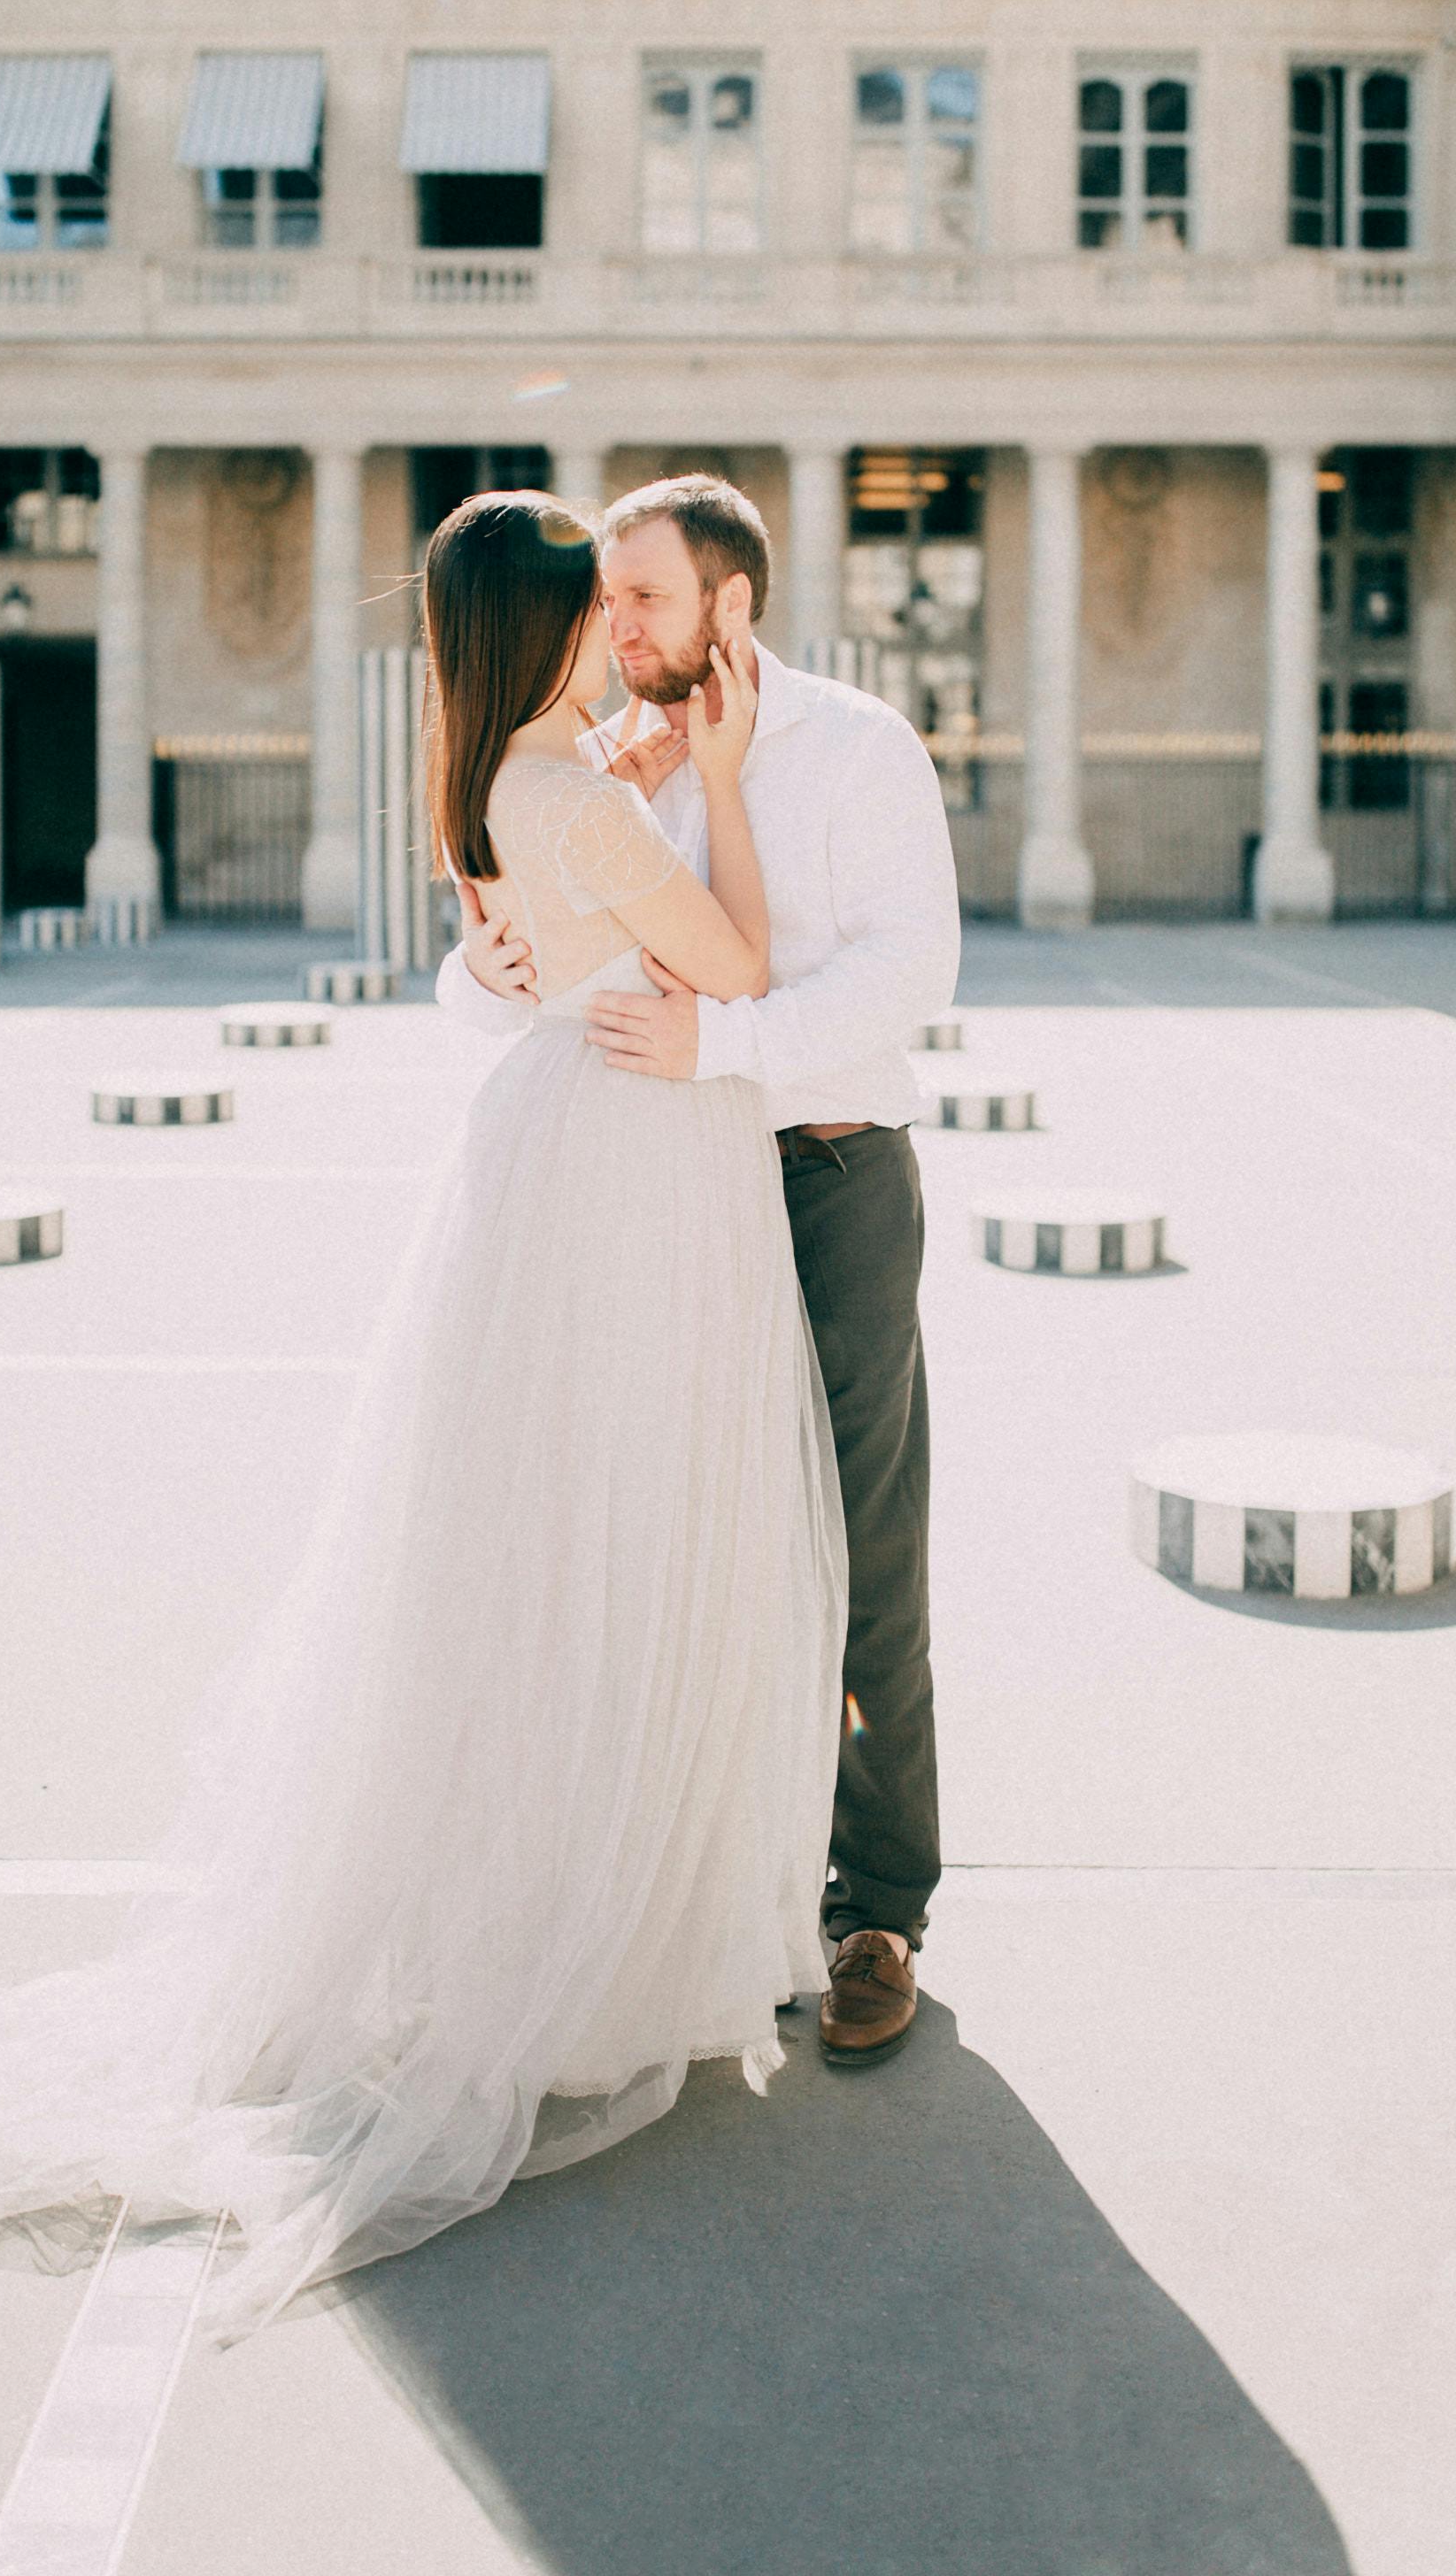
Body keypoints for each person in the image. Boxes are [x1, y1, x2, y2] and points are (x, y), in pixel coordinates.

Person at [0, 494, 848, 2347]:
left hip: (597, 1154)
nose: (616, 636)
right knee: (619, 1536)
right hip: (628, 1173)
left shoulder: (537, 775)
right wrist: (710, 778)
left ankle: (592, 1927)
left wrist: (645, 761)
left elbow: (568, 928)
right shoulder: (569, 793)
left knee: (574, 1542)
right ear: (548, 630)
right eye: (591, 610)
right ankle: (593, 1949)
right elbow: (734, 965)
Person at [438, 473, 959, 2066]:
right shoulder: (611, 761)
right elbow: (526, 984)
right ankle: (724, 1887)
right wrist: (478, 965)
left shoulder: (860, 747)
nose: (618, 621)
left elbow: (907, 978)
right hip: (670, 1203)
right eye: (606, 593)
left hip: (828, 1175)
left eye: (646, 597)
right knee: (691, 1550)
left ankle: (874, 1906)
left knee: (865, 1551)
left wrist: (721, 1043)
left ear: (731, 604)